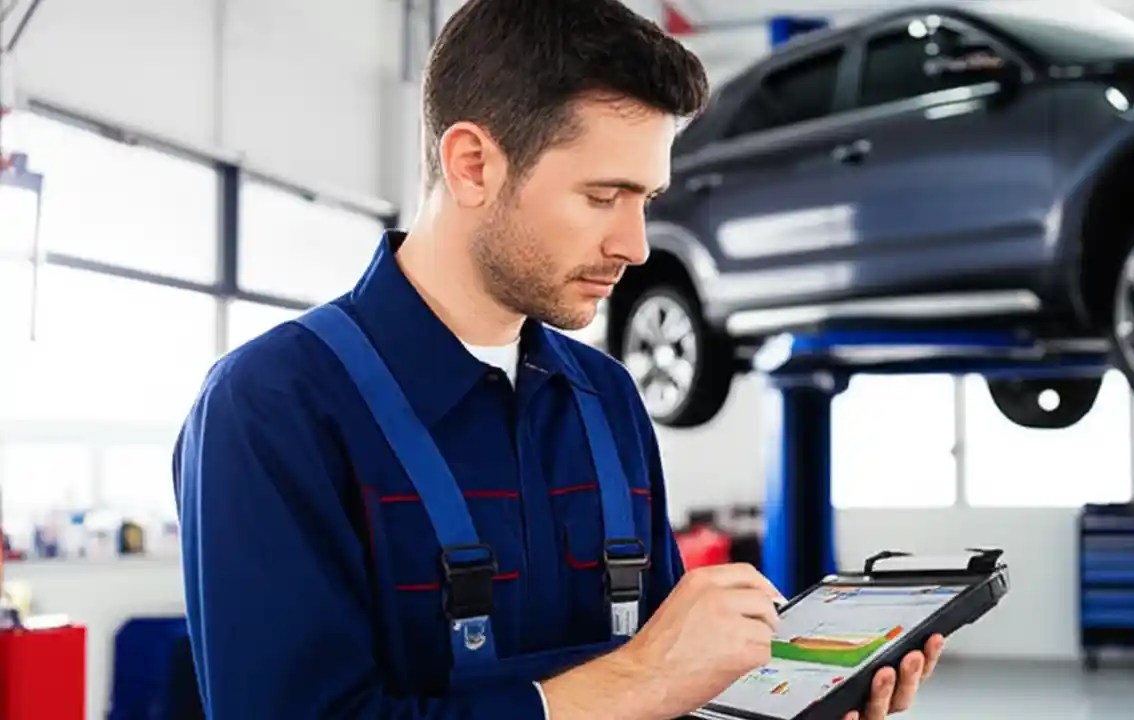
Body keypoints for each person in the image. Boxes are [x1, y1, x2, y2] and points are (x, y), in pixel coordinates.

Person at [171, 0, 945, 718]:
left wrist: (780, 701)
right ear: (473, 164)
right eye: (603, 196)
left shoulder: (606, 397)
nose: (635, 246)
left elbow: (670, 688)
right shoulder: (272, 405)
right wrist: (639, 676)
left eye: (647, 199)